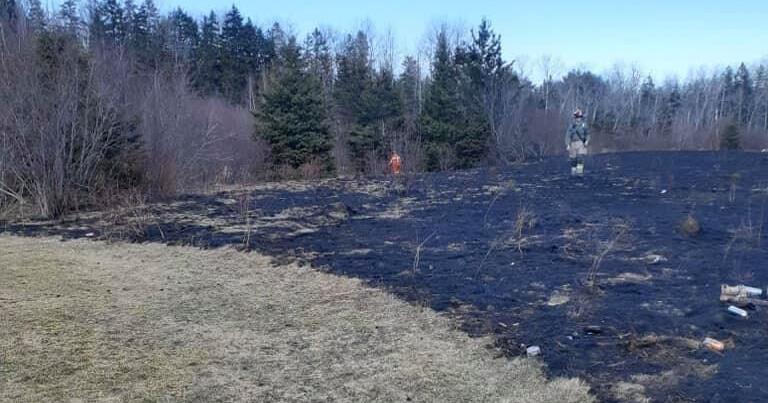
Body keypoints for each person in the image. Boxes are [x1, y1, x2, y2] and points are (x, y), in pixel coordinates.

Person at [565, 109, 590, 176]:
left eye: (579, 117)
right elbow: (568, 135)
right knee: (573, 159)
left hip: (581, 143)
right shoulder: (571, 125)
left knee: (580, 157)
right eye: (577, 117)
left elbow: (587, 134)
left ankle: (580, 173)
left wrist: (587, 141)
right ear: (575, 118)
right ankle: (573, 172)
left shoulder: (584, 125)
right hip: (573, 143)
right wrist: (567, 144)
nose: (578, 118)